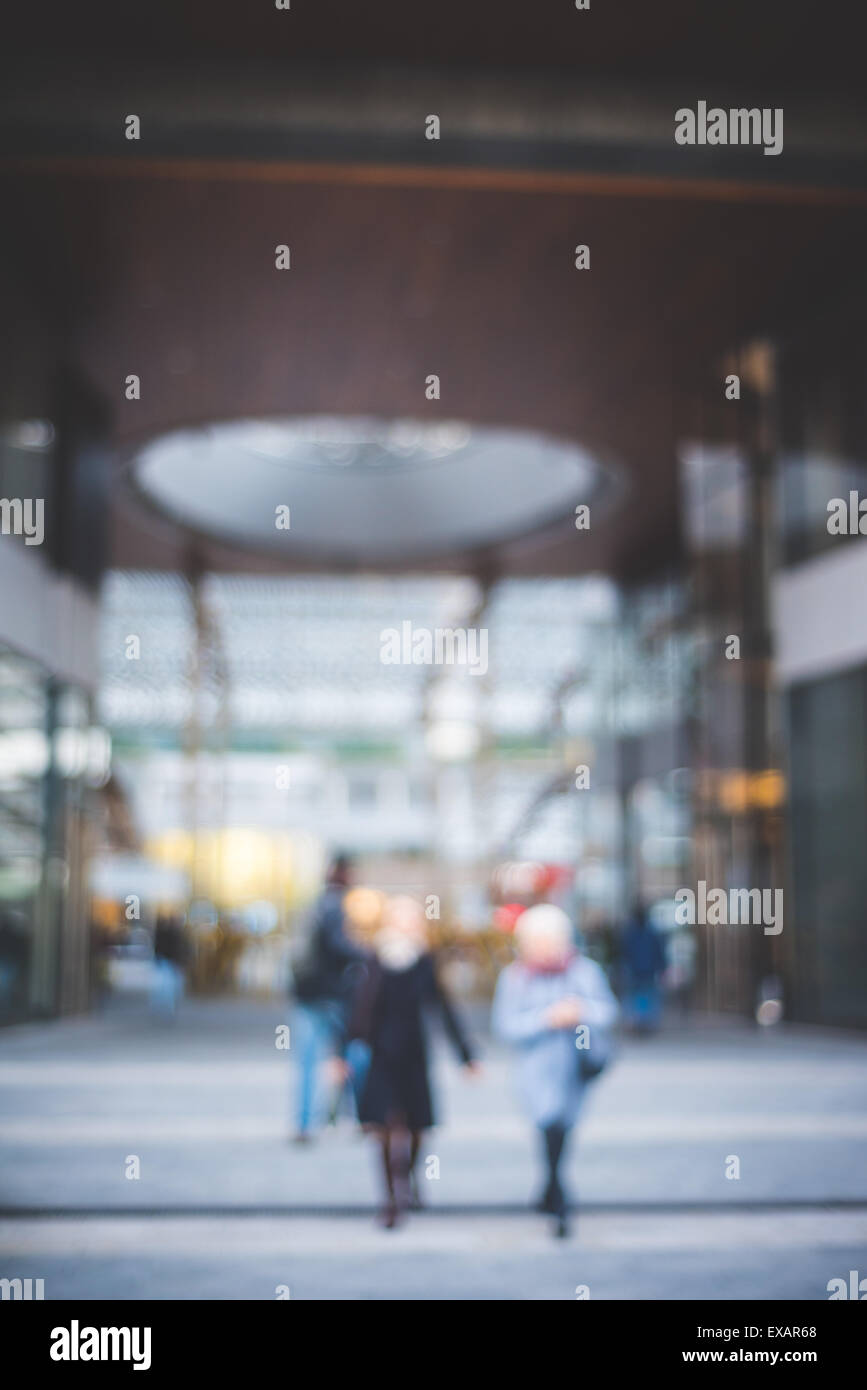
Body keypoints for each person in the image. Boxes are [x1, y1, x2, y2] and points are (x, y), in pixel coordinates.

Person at [348, 895, 480, 1228]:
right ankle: (392, 1199)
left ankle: (410, 1179)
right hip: (382, 1056)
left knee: (419, 1129)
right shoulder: (374, 960)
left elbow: (443, 1008)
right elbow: (359, 1010)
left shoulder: (424, 962)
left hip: (415, 1056)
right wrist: (342, 1053)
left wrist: (466, 1054)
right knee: (385, 1129)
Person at [492, 904, 618, 1238]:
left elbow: (607, 1012)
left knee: (563, 1124)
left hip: (575, 1065)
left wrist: (580, 1012)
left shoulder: (584, 972)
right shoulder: (515, 978)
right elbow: (505, 1027)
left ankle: (552, 1186)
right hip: (535, 1069)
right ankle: (556, 1189)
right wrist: (546, 1018)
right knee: (548, 1123)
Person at [289, 854, 368, 1143]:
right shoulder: (336, 906)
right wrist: (367, 954)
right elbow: (339, 946)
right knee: (352, 1056)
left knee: (307, 1063)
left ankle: (304, 1124)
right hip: (332, 996)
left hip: (305, 993)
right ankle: (360, 1118)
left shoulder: (313, 905)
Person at [619, 901, 667, 1033]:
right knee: (647, 996)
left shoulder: (630, 932)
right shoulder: (650, 932)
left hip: (636, 970)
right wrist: (662, 966)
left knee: (637, 996)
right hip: (647, 970)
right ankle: (644, 1022)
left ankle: (639, 1021)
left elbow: (624, 952)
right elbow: (659, 951)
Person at [150, 912, 189, 1021]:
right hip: (168, 961)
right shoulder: (174, 934)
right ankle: (167, 1007)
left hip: (163, 960)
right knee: (168, 986)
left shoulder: (162, 933)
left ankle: (161, 1006)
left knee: (163, 985)